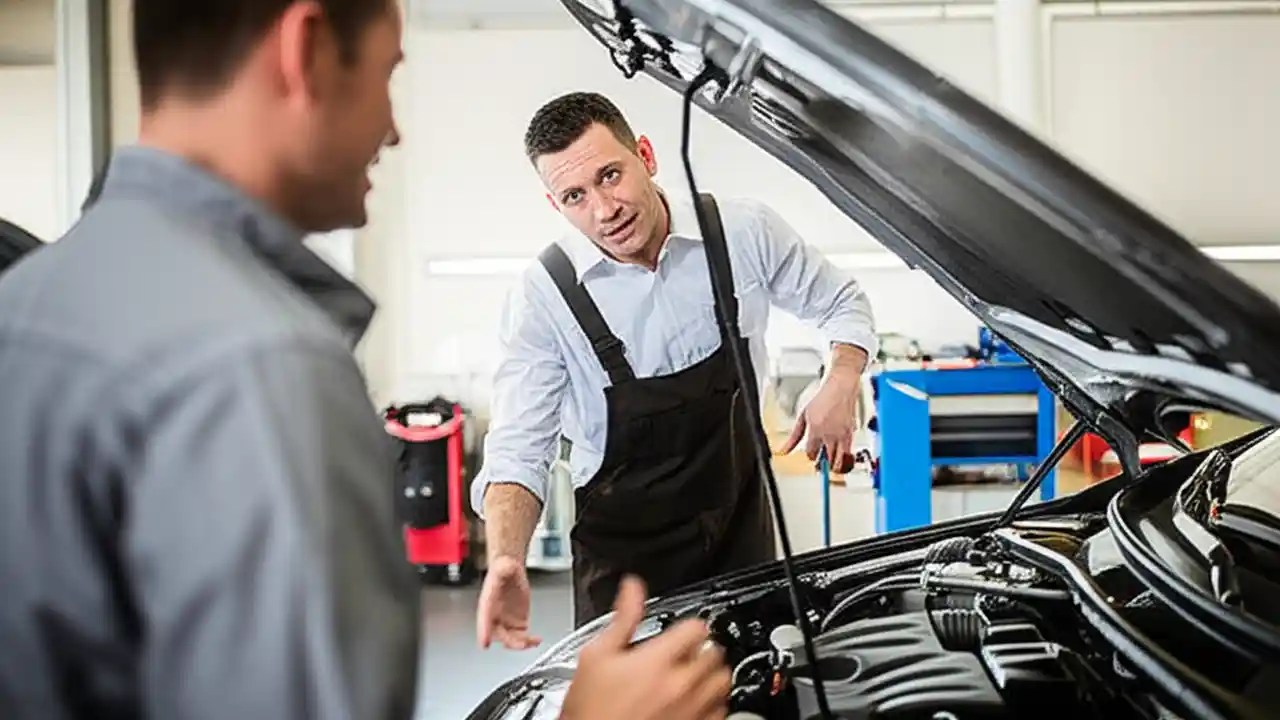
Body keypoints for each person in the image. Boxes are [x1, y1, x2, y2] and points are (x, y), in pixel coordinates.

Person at [0, 3, 730, 719]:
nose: (392, 130)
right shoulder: (261, 366)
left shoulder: (28, 303)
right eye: (386, 74)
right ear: (307, 51)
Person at [475, 91, 879, 642]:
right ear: (556, 205)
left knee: (759, 678)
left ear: (645, 155)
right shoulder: (543, 297)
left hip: (741, 536)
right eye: (575, 196)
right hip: (624, 570)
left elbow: (841, 302)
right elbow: (518, 449)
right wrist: (505, 559)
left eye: (610, 175)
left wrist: (842, 377)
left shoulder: (741, 233)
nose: (604, 209)